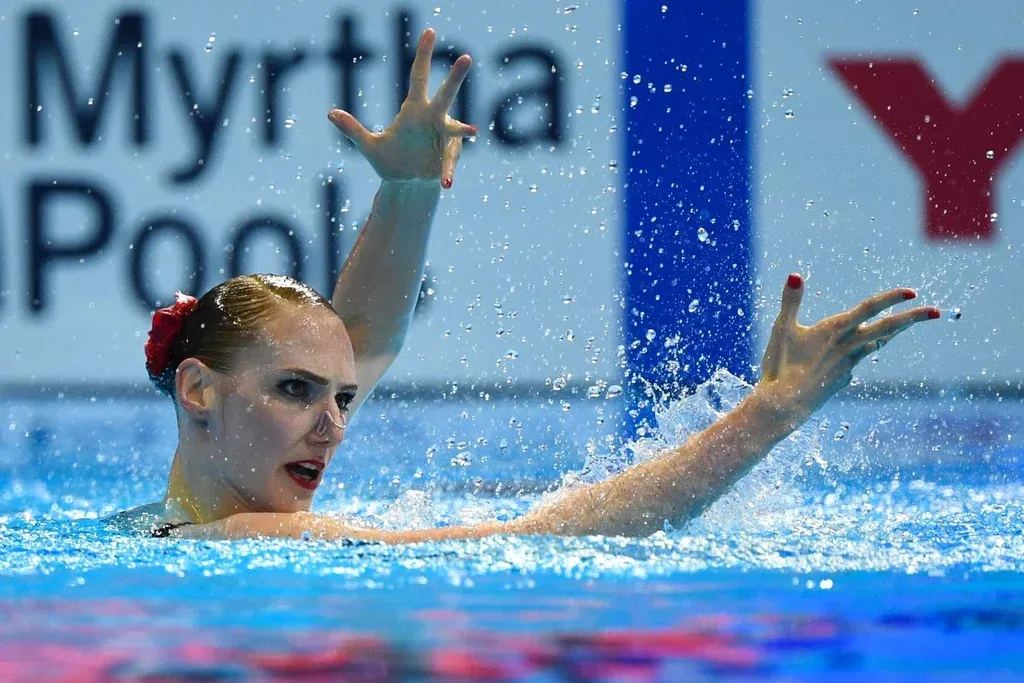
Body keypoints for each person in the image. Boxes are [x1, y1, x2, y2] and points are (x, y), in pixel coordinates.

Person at [115, 29, 942, 542]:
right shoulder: (243, 540)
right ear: (197, 387)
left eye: (341, 398)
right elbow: (543, 534)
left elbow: (360, 336)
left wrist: (406, 191)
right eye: (298, 390)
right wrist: (768, 414)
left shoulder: (177, 514)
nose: (331, 427)